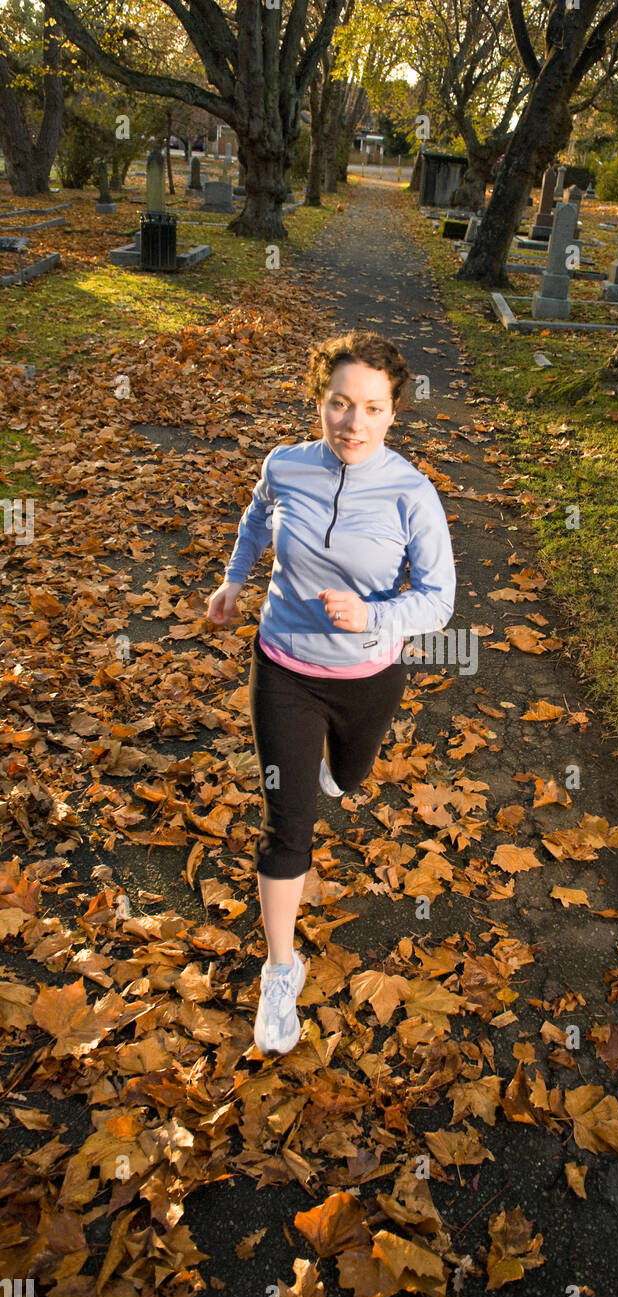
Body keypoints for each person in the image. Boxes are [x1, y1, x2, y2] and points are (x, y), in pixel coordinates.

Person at [206, 330, 456, 1057]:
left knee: (348, 777)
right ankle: (281, 970)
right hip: (282, 666)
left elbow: (438, 599)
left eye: (371, 408)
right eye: (340, 404)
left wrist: (376, 616)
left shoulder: (413, 493)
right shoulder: (284, 466)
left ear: (392, 414)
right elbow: (256, 523)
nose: (353, 423)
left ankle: (334, 767)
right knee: (289, 828)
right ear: (320, 401)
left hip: (368, 678)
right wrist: (233, 579)